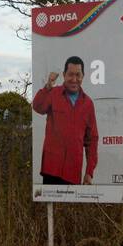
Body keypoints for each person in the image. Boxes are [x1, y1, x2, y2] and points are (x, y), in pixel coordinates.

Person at [32, 56, 98, 185]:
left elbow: (92, 139)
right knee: (51, 205)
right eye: (70, 75)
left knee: (70, 206)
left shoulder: (88, 104)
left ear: (83, 76)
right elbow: (38, 107)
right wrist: (47, 86)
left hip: (73, 171)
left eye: (78, 75)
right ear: (63, 75)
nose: (74, 79)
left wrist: (89, 172)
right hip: (51, 169)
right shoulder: (53, 93)